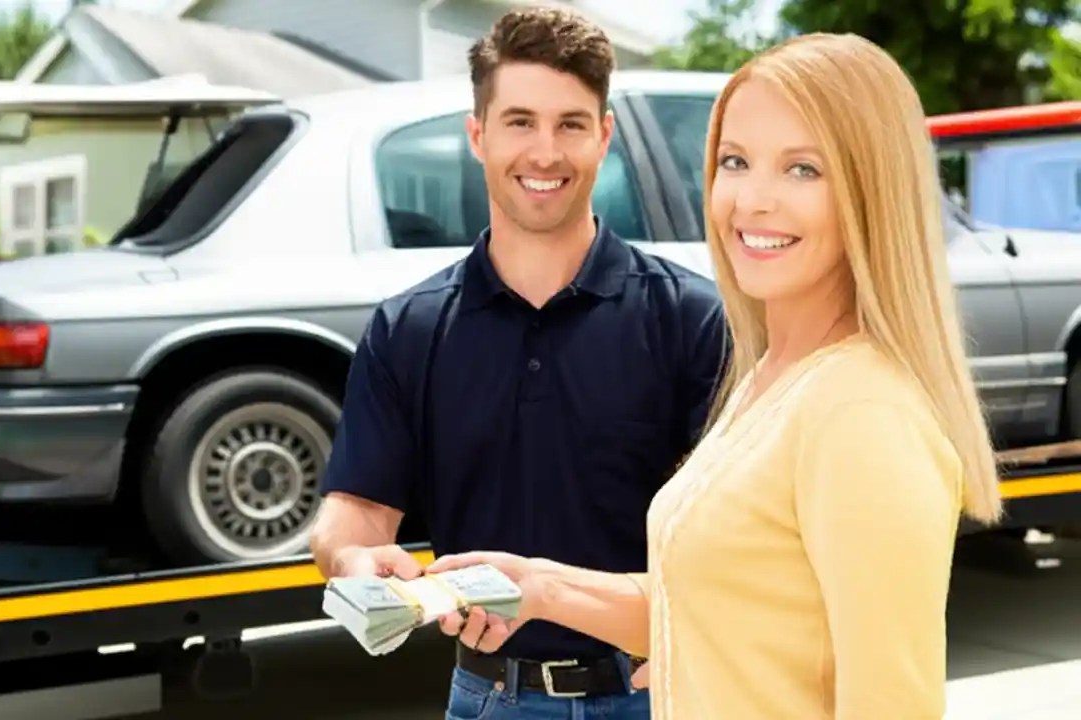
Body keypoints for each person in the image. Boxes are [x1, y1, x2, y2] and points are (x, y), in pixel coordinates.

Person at [427, 31, 1006, 720]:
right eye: (736, 161)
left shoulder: (861, 413)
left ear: (871, 190)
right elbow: (720, 607)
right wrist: (540, 588)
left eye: (802, 169)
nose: (752, 200)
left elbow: (892, 706)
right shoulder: (770, 377)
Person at [308, 7, 727, 720]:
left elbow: (726, 544)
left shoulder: (691, 318)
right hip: (487, 697)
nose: (545, 152)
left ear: (604, 136)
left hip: (655, 692)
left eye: (570, 124)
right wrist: (351, 562)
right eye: (519, 121)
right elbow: (354, 516)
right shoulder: (408, 328)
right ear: (477, 135)